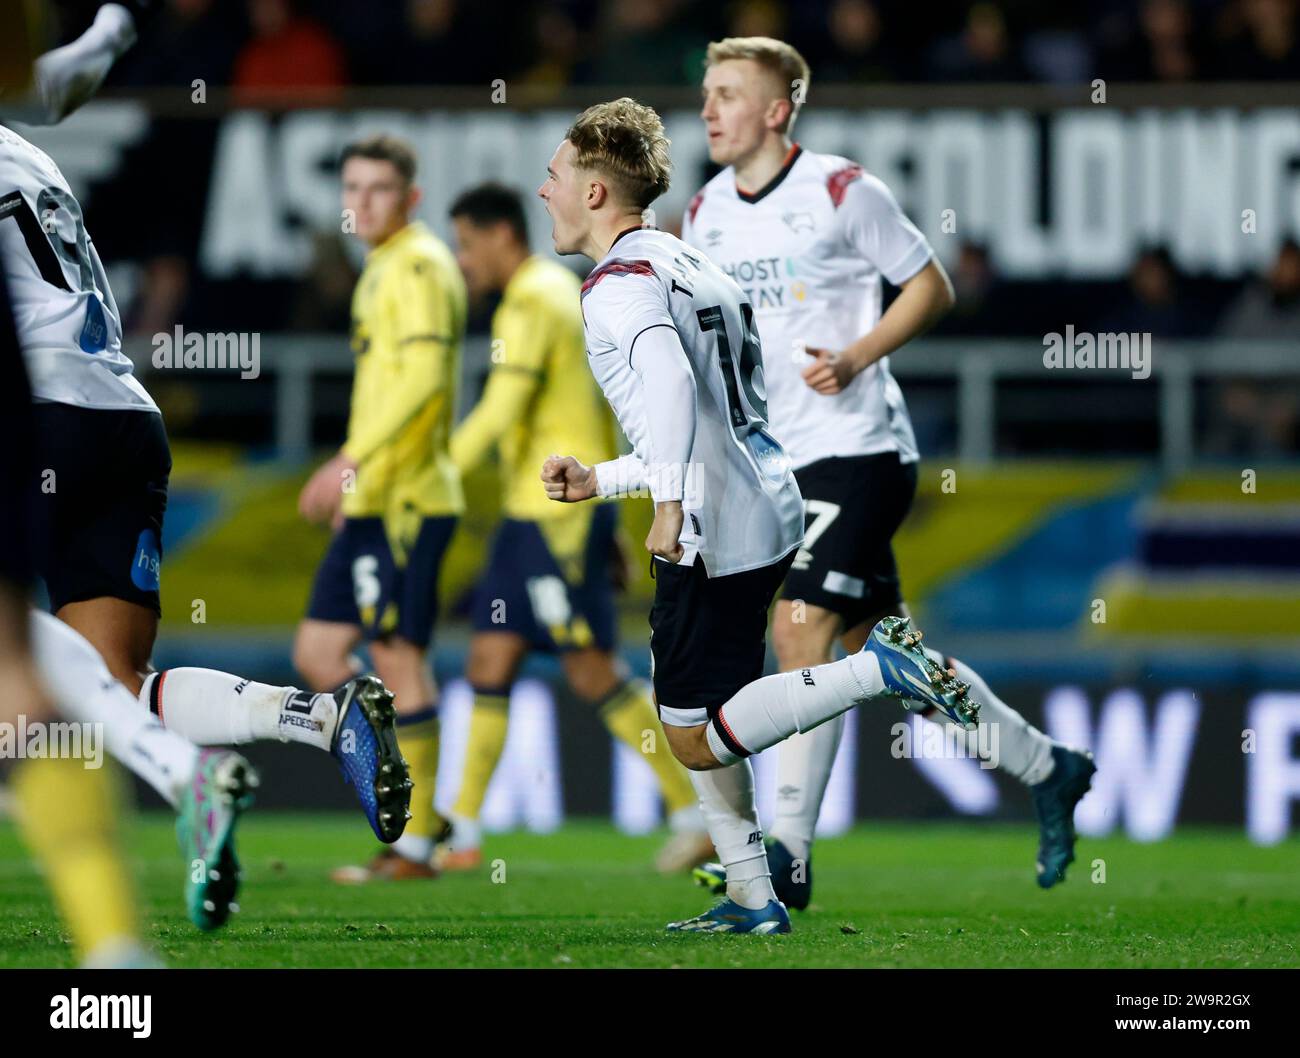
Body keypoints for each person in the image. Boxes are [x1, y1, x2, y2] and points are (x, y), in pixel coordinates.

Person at [536, 97, 979, 933]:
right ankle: (751, 895)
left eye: (555, 175)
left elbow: (668, 387)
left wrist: (666, 500)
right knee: (711, 713)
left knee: (692, 738)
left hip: (712, 523)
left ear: (595, 192)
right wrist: (601, 478)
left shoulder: (614, 287)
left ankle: (877, 668)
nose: (543, 190)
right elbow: (714, 413)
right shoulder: (690, 262)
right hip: (768, 500)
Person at [682, 37, 1097, 906]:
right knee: (884, 653)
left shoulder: (841, 189)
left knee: (797, 631)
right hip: (779, 463)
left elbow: (929, 282)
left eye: (728, 93)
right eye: (708, 93)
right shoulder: (704, 212)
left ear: (777, 108)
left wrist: (859, 354)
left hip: (859, 446)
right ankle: (1046, 764)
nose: (710, 109)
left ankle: (787, 855)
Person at [442, 183, 712, 874]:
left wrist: (434, 477)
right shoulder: (557, 294)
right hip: (533, 514)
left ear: (502, 235)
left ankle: (696, 809)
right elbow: (588, 410)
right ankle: (463, 834)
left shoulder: (533, 298)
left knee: (591, 670)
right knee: (489, 661)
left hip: (552, 517)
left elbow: (503, 408)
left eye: (467, 246)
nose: (462, 263)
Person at [292, 134, 465, 882]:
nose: (361, 203)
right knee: (320, 657)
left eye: (379, 189)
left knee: (398, 659)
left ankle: (416, 843)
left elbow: (425, 377)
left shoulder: (420, 265)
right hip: (375, 500)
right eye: (352, 188)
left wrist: (352, 461)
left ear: (411, 198)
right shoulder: (384, 269)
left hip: (408, 501)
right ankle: (423, 812)